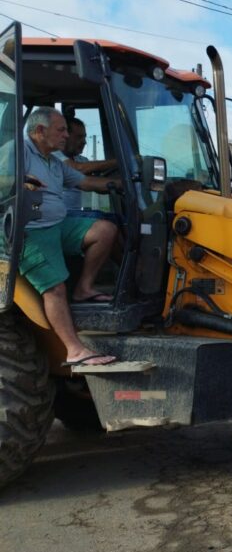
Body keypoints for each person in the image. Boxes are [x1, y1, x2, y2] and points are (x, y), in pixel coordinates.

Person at [20, 107, 120, 366]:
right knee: (54, 288)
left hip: (58, 224)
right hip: (30, 230)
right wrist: (20, 182)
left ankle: (84, 288)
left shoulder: (52, 162)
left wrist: (123, 184)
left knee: (105, 229)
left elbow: (85, 182)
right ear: (40, 131)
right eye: (61, 130)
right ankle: (75, 350)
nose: (66, 135)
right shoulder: (18, 152)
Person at [56, 116, 117, 209]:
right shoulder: (54, 154)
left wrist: (121, 184)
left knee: (116, 219)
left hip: (73, 215)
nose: (84, 142)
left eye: (84, 137)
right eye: (79, 137)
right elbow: (77, 169)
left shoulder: (82, 160)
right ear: (65, 137)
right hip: (55, 216)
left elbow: (95, 183)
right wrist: (118, 162)